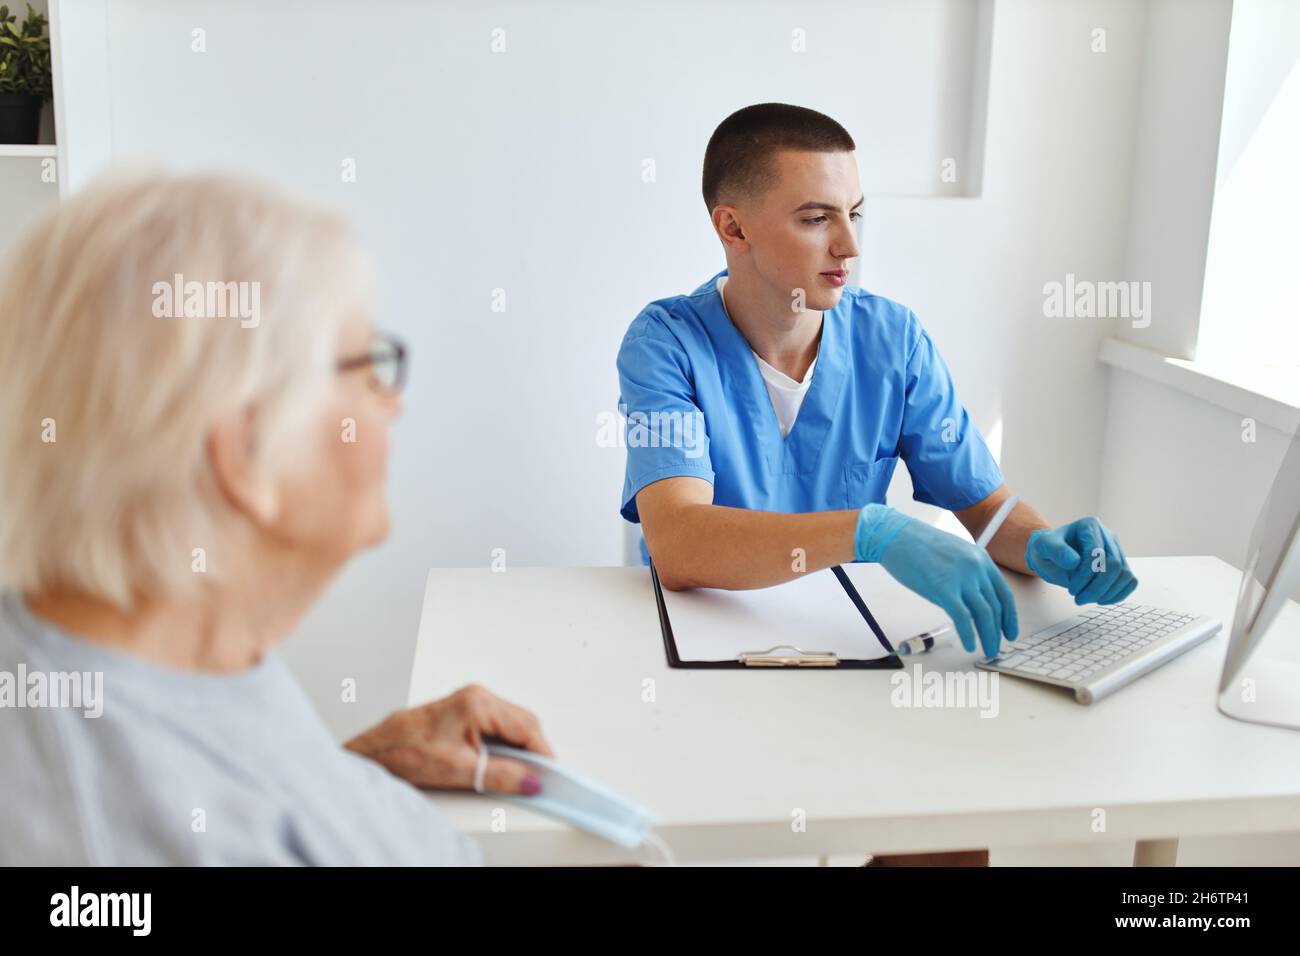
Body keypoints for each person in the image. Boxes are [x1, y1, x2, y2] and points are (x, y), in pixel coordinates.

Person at [615, 103, 1139, 867]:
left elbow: (986, 512)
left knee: (947, 837)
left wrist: (1045, 544)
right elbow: (681, 542)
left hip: (854, 659)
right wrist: (872, 530)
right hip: (708, 674)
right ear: (733, 228)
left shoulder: (891, 338)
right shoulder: (665, 344)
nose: (850, 246)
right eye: (816, 218)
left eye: (856, 213)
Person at [0, 170, 553, 865]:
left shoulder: (151, 665)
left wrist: (356, 773)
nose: (394, 404)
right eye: (368, 368)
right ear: (244, 452)